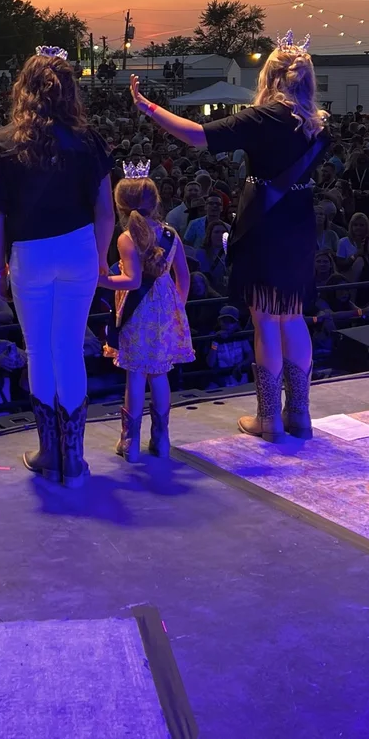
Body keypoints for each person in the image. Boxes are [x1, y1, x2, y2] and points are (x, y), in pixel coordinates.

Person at [130, 33, 330, 442]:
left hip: (265, 225)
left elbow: (196, 135)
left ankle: (269, 420)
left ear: (270, 76)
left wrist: (148, 106)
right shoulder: (316, 124)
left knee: (265, 319)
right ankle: (300, 416)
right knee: (292, 315)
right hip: (300, 223)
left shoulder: (263, 118)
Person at [0, 48, 113, 486]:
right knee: (69, 348)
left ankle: (49, 454)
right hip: (79, 249)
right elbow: (105, 211)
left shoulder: (6, 141)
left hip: (30, 254)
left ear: (25, 89)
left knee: (39, 350)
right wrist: (99, 258)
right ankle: (74, 461)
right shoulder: (89, 141)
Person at [100, 171, 194, 461]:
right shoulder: (170, 234)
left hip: (137, 311)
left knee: (136, 374)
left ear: (120, 204)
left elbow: (132, 281)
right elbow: (184, 276)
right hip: (164, 310)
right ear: (155, 202)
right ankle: (161, 439)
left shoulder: (127, 238)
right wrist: (177, 308)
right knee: (159, 373)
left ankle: (130, 442)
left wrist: (101, 281)